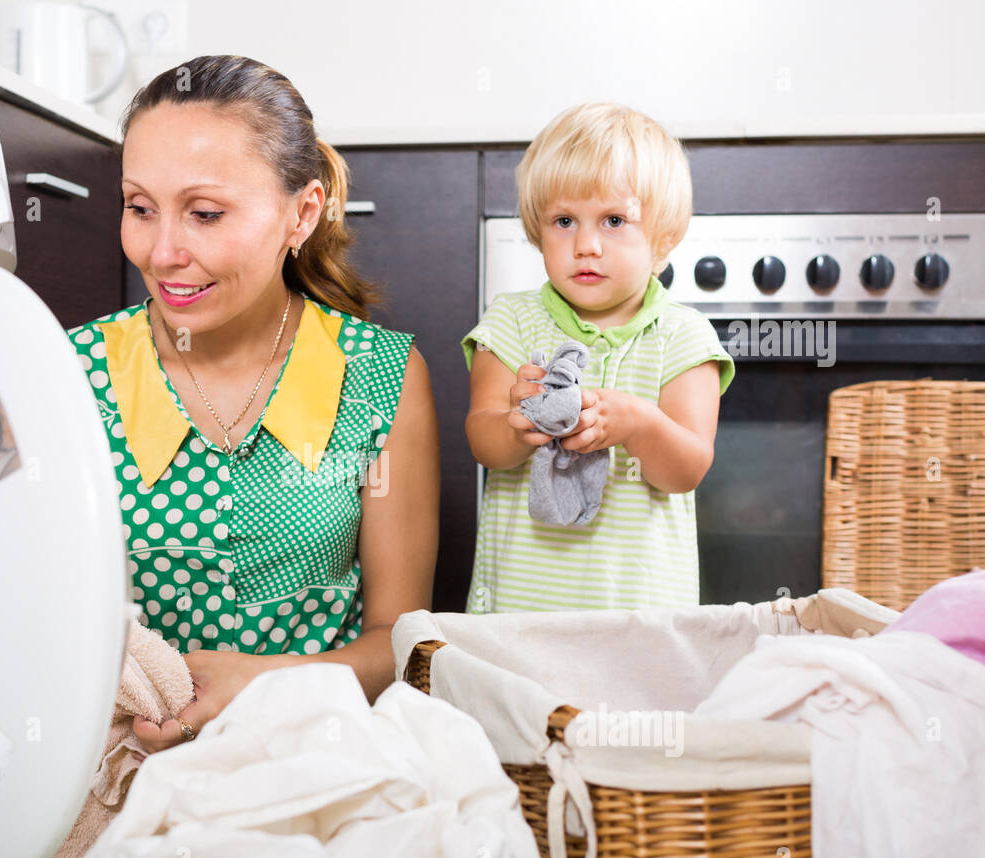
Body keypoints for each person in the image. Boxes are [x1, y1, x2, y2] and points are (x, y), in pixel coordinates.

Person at [66, 55, 440, 752]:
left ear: (302, 213)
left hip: (316, 753)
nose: (164, 250)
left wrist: (267, 684)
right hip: (115, 766)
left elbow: (403, 644)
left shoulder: (381, 377)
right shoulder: (73, 373)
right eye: (140, 207)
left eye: (205, 213)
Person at [462, 101, 734, 614]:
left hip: (638, 616)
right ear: (535, 229)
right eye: (564, 220)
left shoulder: (684, 335)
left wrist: (638, 423)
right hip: (519, 612)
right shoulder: (511, 320)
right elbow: (484, 442)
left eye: (614, 220)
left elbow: (686, 470)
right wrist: (517, 421)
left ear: (665, 238)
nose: (586, 244)